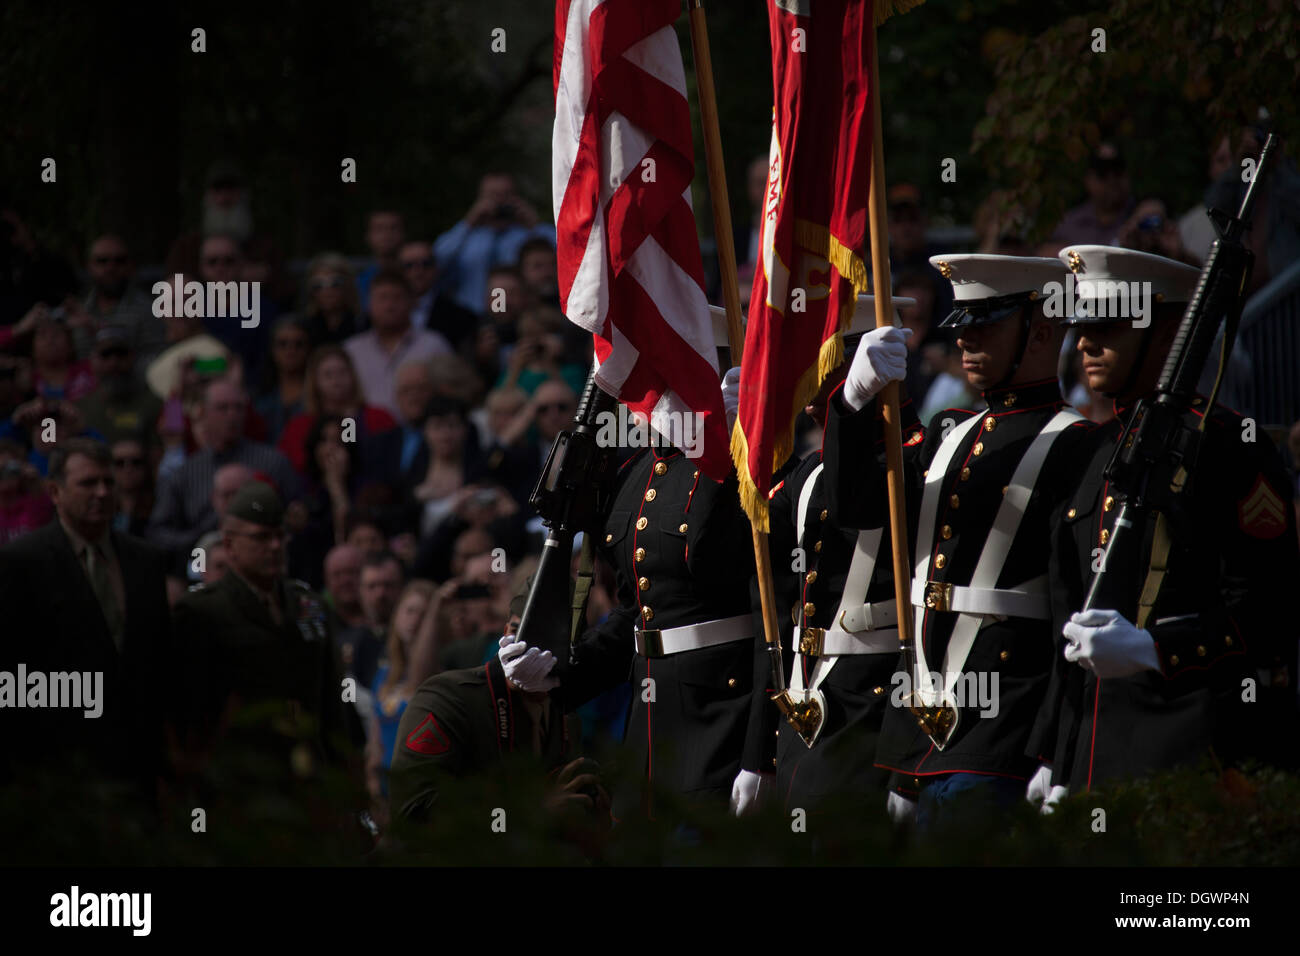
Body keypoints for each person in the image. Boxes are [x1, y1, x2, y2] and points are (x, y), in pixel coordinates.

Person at [823, 254, 1093, 828]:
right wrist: (852, 405)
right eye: (962, 326)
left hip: (1006, 738)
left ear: (1042, 331)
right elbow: (859, 510)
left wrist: (1054, 750)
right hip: (923, 734)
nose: (966, 341)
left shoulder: (1080, 444)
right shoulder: (951, 431)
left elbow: (1074, 613)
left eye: (986, 325)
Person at [1027, 245, 1300, 805]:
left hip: (1190, 762)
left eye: (1109, 326)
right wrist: (1056, 758)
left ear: (1171, 331)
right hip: (1092, 768)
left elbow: (1270, 609)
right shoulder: (1095, 451)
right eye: (1081, 326)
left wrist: (1157, 648)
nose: (1084, 342)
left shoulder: (1226, 444)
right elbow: (1070, 623)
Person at [749, 296, 924, 816]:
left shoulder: (923, 454)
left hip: (876, 707)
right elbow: (747, 549)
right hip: (806, 702)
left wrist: (908, 767)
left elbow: (859, 503)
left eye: (821, 378)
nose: (808, 401)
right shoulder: (810, 471)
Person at [170, 480, 368, 857]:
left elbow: (332, 704)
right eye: (261, 537)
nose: (275, 546)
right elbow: (191, 719)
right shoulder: (202, 612)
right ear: (229, 545)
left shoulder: (308, 604)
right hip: (240, 788)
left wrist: (349, 788)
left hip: (310, 786)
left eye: (280, 536)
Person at [0, 438, 172, 805]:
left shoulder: (147, 561)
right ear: (55, 492)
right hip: (60, 769)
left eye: (108, 482)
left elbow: (158, 663)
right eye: (88, 483)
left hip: (137, 766)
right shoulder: (21, 563)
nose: (103, 492)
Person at [390, 583, 609, 861]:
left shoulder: (564, 714)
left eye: (550, 640)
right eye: (521, 632)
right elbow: (411, 812)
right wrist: (530, 811)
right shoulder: (450, 698)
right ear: (507, 632)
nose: (530, 647)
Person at [147, 377, 300, 568]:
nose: (232, 415)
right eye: (223, 408)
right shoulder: (185, 472)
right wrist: (200, 539)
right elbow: (158, 533)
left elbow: (298, 519)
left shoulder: (273, 463)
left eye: (238, 408)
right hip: (200, 568)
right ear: (204, 413)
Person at [433, 172, 557, 316]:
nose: (499, 202)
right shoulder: (466, 237)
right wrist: (468, 222)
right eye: (493, 196)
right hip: (469, 315)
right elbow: (437, 259)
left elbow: (566, 253)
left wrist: (535, 224)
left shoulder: (527, 236)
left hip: (519, 316)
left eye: (506, 195)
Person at [344, 270, 451, 418]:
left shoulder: (434, 345)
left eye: (397, 298)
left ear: (412, 302)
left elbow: (448, 394)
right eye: (382, 298)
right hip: (365, 436)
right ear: (369, 304)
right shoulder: (351, 350)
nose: (389, 306)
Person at [277, 344, 397, 475]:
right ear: (315, 382)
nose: (336, 380)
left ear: (353, 376)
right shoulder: (299, 426)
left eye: (342, 372)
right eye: (328, 375)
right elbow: (291, 469)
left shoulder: (378, 418)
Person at [77, 234, 164, 364]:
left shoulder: (149, 310)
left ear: (130, 266)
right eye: (102, 261)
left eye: (119, 261)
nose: (111, 267)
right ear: (89, 266)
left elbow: (159, 361)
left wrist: (126, 363)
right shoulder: (78, 310)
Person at [76, 325, 163, 446]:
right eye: (105, 354)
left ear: (133, 357)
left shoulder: (154, 404)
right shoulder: (80, 409)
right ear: (92, 360)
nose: (113, 362)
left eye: (121, 354)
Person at [1044, 142, 1135, 252]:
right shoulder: (1070, 223)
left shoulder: (1140, 216)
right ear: (1088, 179)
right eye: (1102, 174)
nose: (1112, 181)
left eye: (1118, 172)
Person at [400, 240, 477, 349]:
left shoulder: (461, 318)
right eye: (409, 265)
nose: (418, 271)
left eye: (426, 264)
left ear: (436, 268)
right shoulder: (379, 316)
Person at [253, 316, 311, 443]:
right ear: (272, 350)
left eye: (299, 344)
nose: (290, 350)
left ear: (308, 349)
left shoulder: (318, 397)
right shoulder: (259, 398)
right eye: (282, 344)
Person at [299, 253, 364, 346]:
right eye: (318, 284)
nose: (327, 291)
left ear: (348, 286)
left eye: (335, 283)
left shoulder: (362, 325)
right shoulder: (303, 330)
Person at [356, 209, 405, 311]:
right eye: (379, 229)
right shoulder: (359, 282)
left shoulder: (417, 274)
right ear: (368, 236)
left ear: (403, 233)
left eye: (393, 228)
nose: (387, 234)